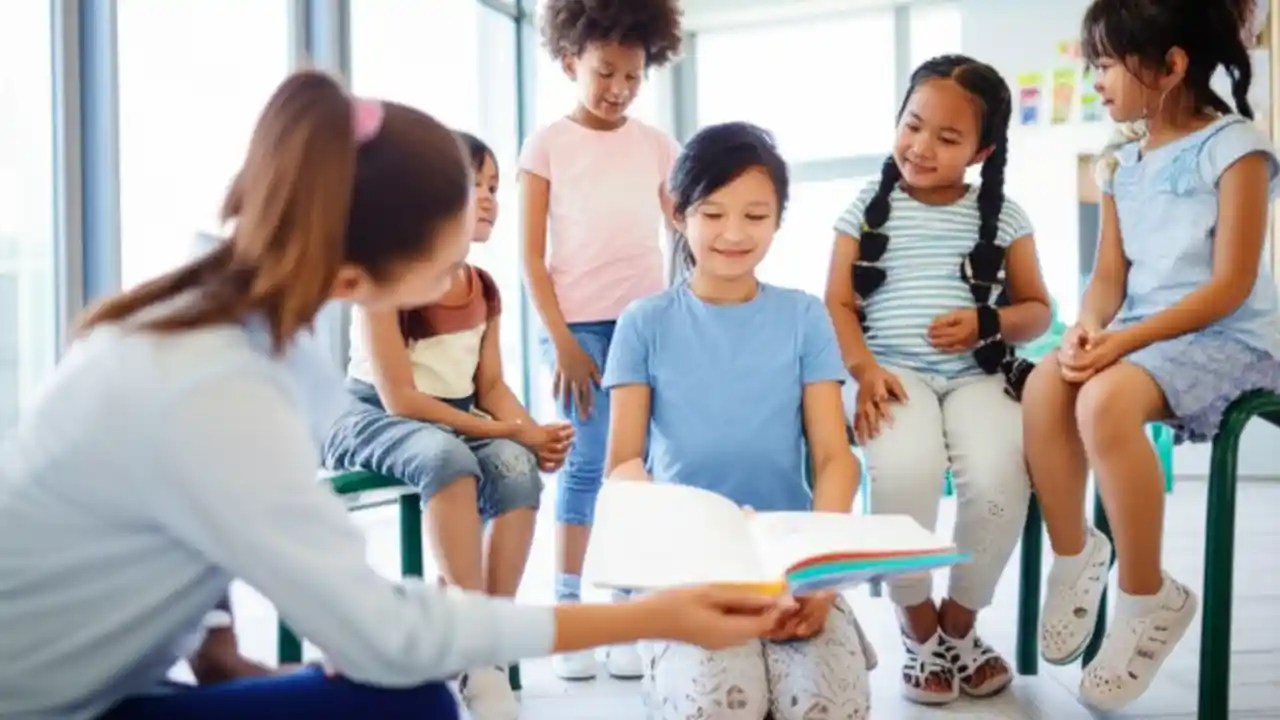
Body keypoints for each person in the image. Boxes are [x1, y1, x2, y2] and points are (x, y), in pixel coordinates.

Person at [0, 70, 792, 720]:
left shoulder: (224, 325)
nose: (456, 276)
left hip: (108, 682)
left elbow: (184, 514)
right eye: (442, 263)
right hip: (46, 703)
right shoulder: (218, 384)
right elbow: (386, 636)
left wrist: (219, 653)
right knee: (413, 702)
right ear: (356, 284)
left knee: (391, 690)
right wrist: (650, 615)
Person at [1023, 0, 1280, 711]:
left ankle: (1146, 599)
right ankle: (1076, 555)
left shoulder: (1236, 147)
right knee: (1046, 385)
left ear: (1170, 66)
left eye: (1107, 64)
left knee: (1104, 400)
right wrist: (1086, 328)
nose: (1096, 80)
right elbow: (1108, 278)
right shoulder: (1119, 165)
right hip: (1140, 335)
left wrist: (1125, 341)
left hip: (1228, 339)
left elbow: (1230, 285)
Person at [606, 121, 872, 720]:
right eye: (712, 213)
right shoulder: (643, 322)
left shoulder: (804, 316)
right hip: (685, 564)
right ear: (678, 214)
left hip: (788, 562)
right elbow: (623, 463)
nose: (733, 233)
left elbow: (835, 458)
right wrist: (672, 540)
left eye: (755, 216)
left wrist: (819, 576)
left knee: (826, 707)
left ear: (778, 220)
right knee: (724, 705)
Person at [823, 55, 1052, 705]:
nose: (921, 147)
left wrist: (988, 320)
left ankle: (959, 623)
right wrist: (864, 370)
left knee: (1002, 476)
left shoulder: (1005, 216)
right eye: (913, 125)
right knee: (905, 470)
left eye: (947, 138)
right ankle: (916, 621)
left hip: (977, 374)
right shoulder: (864, 209)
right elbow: (836, 303)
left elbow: (1038, 310)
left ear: (980, 152)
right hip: (889, 371)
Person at [321, 131, 573, 719]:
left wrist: (530, 433)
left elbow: (490, 387)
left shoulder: (482, 288)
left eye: (493, 187)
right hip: (371, 414)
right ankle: (469, 643)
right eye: (470, 185)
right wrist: (505, 430)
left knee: (517, 468)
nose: (487, 198)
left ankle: (486, 641)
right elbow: (401, 399)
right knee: (447, 458)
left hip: (454, 412)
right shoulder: (386, 280)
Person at [519, 0, 684, 681]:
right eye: (604, 72)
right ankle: (568, 610)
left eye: (632, 76)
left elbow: (686, 230)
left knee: (636, 468)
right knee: (588, 464)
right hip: (577, 329)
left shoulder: (657, 146)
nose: (619, 88)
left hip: (645, 326)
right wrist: (561, 342)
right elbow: (530, 258)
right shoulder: (547, 144)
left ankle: (626, 606)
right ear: (570, 63)